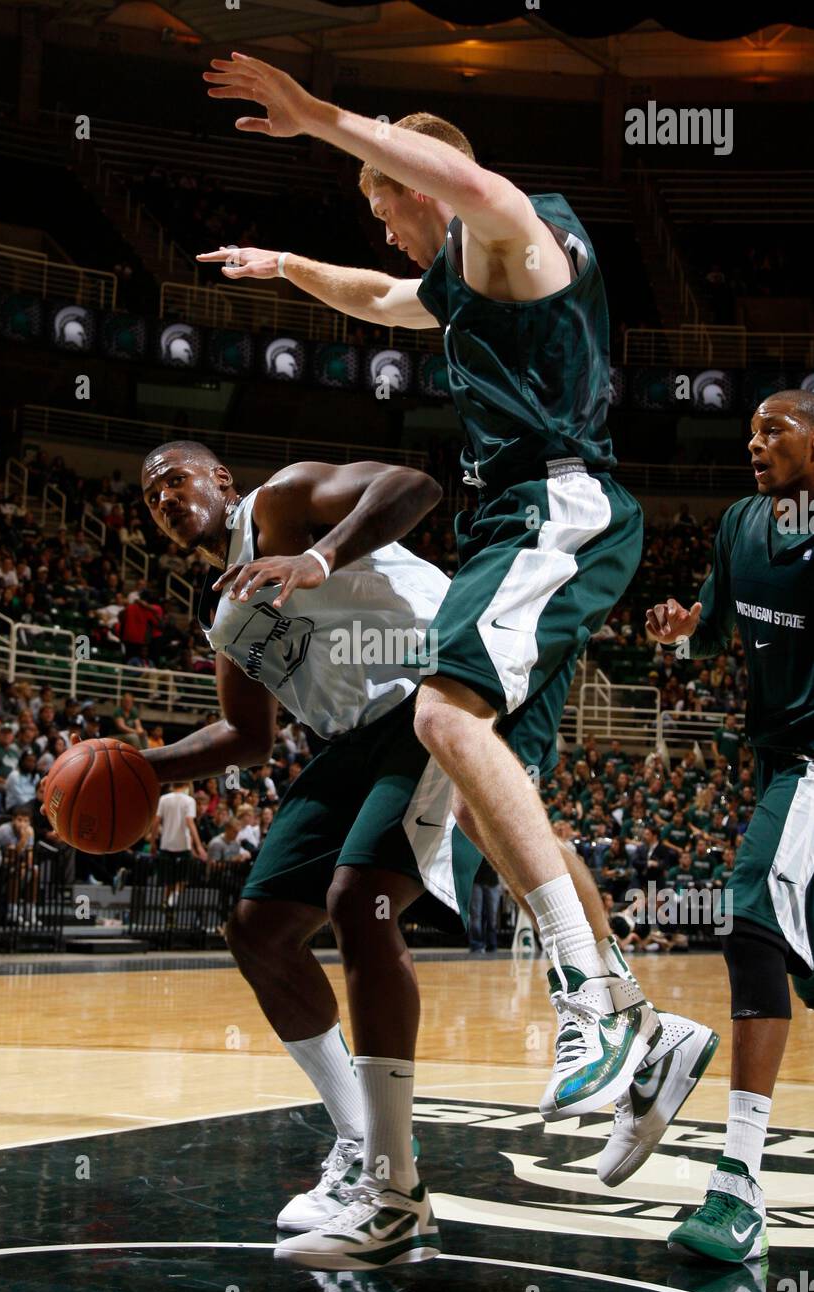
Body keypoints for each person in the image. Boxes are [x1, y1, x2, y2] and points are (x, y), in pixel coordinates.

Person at [198, 54, 714, 1184]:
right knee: (486, 788)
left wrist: (319, 118)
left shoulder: (513, 233)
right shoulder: (458, 279)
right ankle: (645, 1027)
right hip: (522, 528)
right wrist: (284, 266)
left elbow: (471, 187)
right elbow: (378, 300)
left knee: (439, 718)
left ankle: (588, 999)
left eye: (384, 203)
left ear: (419, 179)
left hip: (550, 508)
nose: (383, 229)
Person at [136, 437, 469, 1269]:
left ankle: (394, 1184)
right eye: (150, 497)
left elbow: (415, 484)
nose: (164, 500)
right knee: (258, 930)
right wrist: (137, 768)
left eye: (174, 480)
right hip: (354, 738)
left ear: (221, 480)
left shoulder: (281, 504)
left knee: (360, 902)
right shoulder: (227, 614)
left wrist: (317, 558)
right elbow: (247, 736)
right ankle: (360, 1142)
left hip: (435, 686)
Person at [647, 390, 814, 1265]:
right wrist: (681, 633)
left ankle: (738, 1183)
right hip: (775, 760)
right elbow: (713, 632)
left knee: (749, 917)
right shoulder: (741, 525)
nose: (753, 443)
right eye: (749, 431)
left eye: (773, 429)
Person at [468, 857, 501, 956]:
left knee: (492, 917)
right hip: (475, 880)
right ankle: (476, 945)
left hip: (493, 881)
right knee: (475, 915)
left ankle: (492, 944)